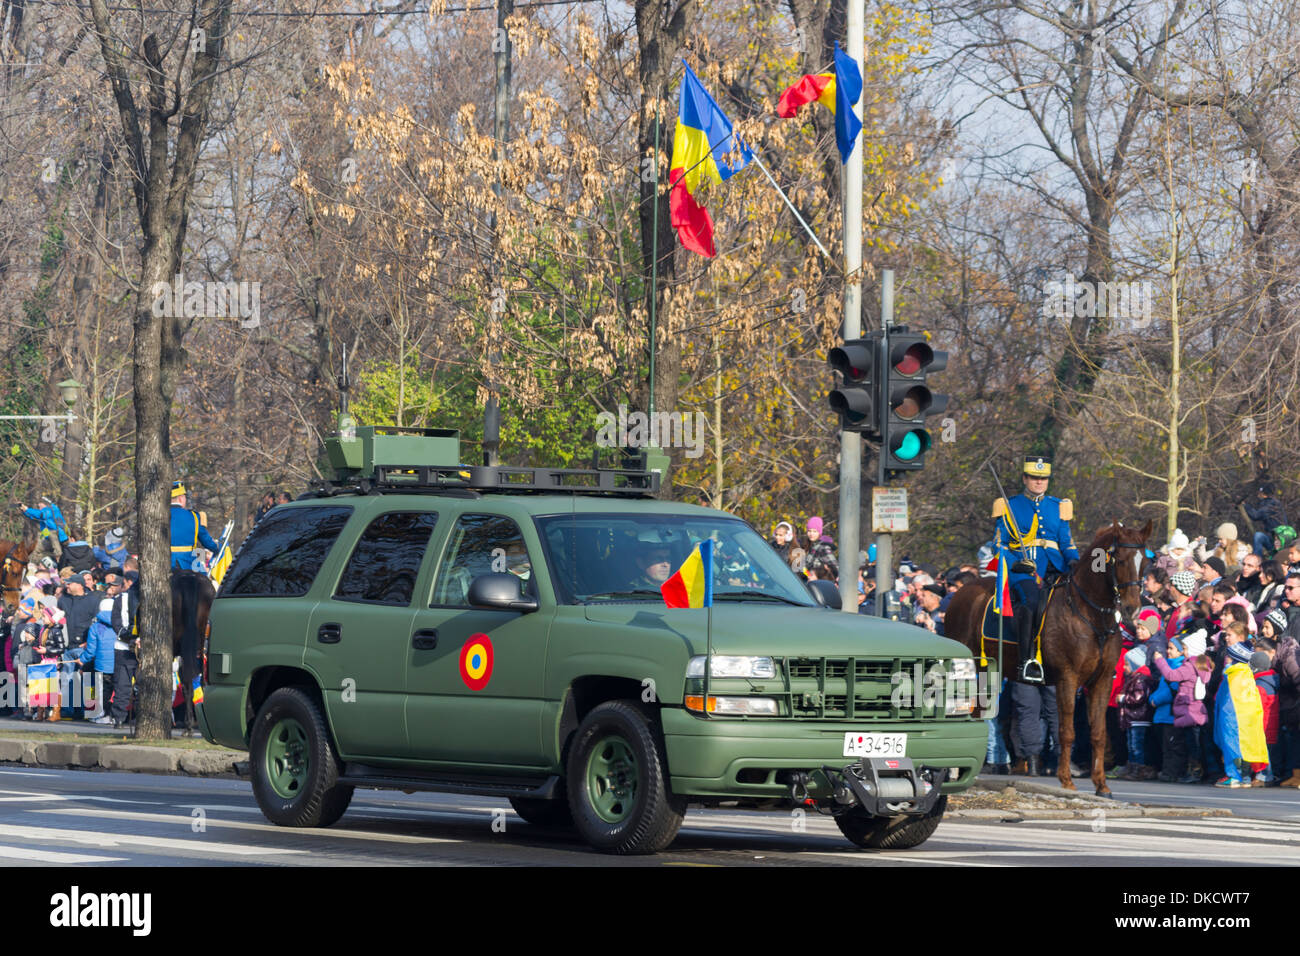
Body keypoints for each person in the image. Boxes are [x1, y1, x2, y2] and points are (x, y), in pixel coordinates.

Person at [993, 455, 1080, 685]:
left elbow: (1067, 542)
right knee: (1031, 601)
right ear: (1025, 478)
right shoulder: (1010, 505)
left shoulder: (1057, 506)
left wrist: (1073, 561)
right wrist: (1014, 563)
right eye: (1034, 477)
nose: (1039, 482)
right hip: (1023, 569)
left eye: (1043, 478)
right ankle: (1026, 661)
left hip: (1055, 567)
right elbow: (999, 545)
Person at [1115, 645, 1157, 780]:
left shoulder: (1140, 679)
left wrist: (1123, 698)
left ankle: (1139, 769)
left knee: (1136, 745)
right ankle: (1132, 767)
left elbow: (1138, 698)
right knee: (1131, 745)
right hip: (1132, 718)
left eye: (1127, 664)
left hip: (1138, 718)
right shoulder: (1134, 678)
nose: (1124, 667)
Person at [77, 599, 116, 724]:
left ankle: (100, 714)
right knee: (117, 691)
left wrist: (82, 659)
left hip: (101, 664)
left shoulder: (95, 627)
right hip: (118, 663)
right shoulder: (120, 624)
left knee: (102, 690)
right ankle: (113, 716)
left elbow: (91, 651)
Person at [170, 482, 220, 573]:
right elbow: (207, 542)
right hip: (189, 563)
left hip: (164, 563)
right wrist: (217, 548)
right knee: (206, 582)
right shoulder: (194, 516)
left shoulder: (158, 516)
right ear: (181, 498)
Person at [1251, 647, 1279, 786]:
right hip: (1271, 724)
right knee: (1269, 752)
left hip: (1263, 725)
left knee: (1263, 753)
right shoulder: (1272, 680)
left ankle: (1264, 777)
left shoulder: (1260, 685)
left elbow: (1257, 707)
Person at [1243, 482, 1289, 557]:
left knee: (1258, 536)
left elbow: (1256, 515)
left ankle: (1256, 560)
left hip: (1277, 541)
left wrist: (1245, 506)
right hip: (1273, 539)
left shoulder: (1271, 504)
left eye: (1259, 492)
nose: (1258, 494)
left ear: (1263, 493)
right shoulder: (1271, 503)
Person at [19, 496, 69, 562]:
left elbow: (41, 515)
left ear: (44, 503)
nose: (38, 505)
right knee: (35, 550)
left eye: (40, 503)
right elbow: (35, 517)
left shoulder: (51, 509)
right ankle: (35, 564)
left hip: (59, 537)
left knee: (56, 551)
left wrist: (27, 509)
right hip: (49, 537)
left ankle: (56, 560)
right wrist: (24, 511)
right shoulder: (49, 510)